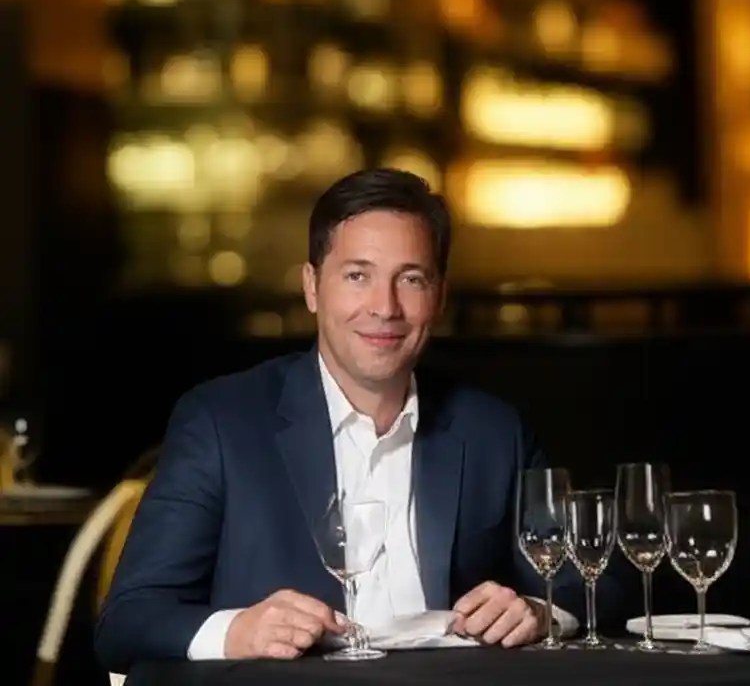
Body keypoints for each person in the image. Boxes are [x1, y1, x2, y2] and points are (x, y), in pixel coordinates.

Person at [96, 168, 625, 674]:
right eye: (357, 276)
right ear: (311, 286)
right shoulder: (220, 421)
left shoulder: (492, 430)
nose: (384, 307)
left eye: (411, 279)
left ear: (438, 295)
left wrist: (538, 610)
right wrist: (239, 631)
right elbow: (127, 620)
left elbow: (594, 581)